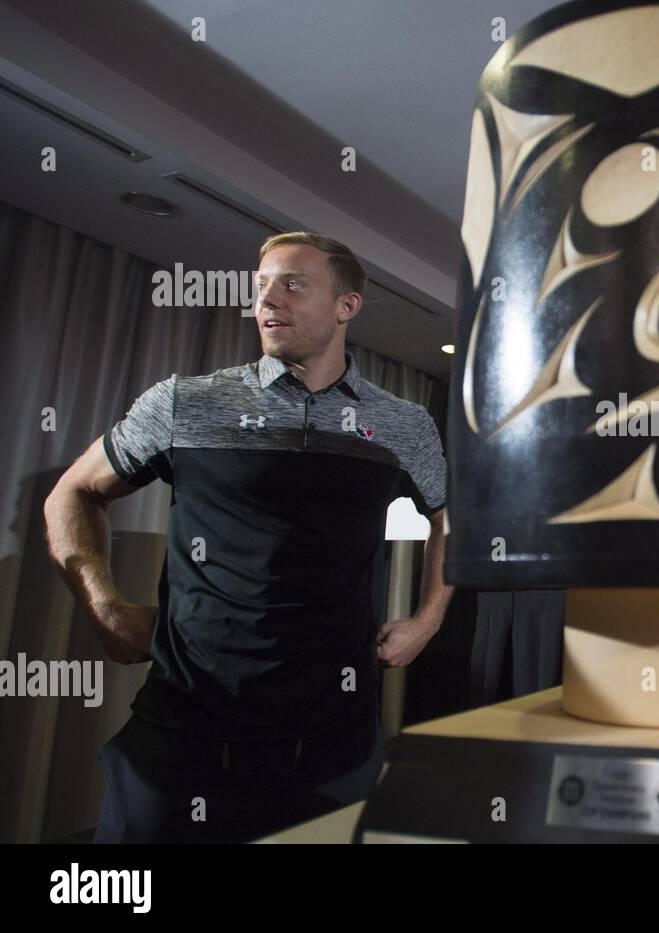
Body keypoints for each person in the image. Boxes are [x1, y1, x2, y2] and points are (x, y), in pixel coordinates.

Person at [44, 232, 453, 842]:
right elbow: (71, 494)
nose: (268, 300)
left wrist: (427, 620)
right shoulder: (186, 402)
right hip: (187, 726)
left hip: (333, 737)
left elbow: (453, 518)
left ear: (347, 306)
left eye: (293, 284)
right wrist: (104, 608)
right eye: (261, 286)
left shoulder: (403, 424)